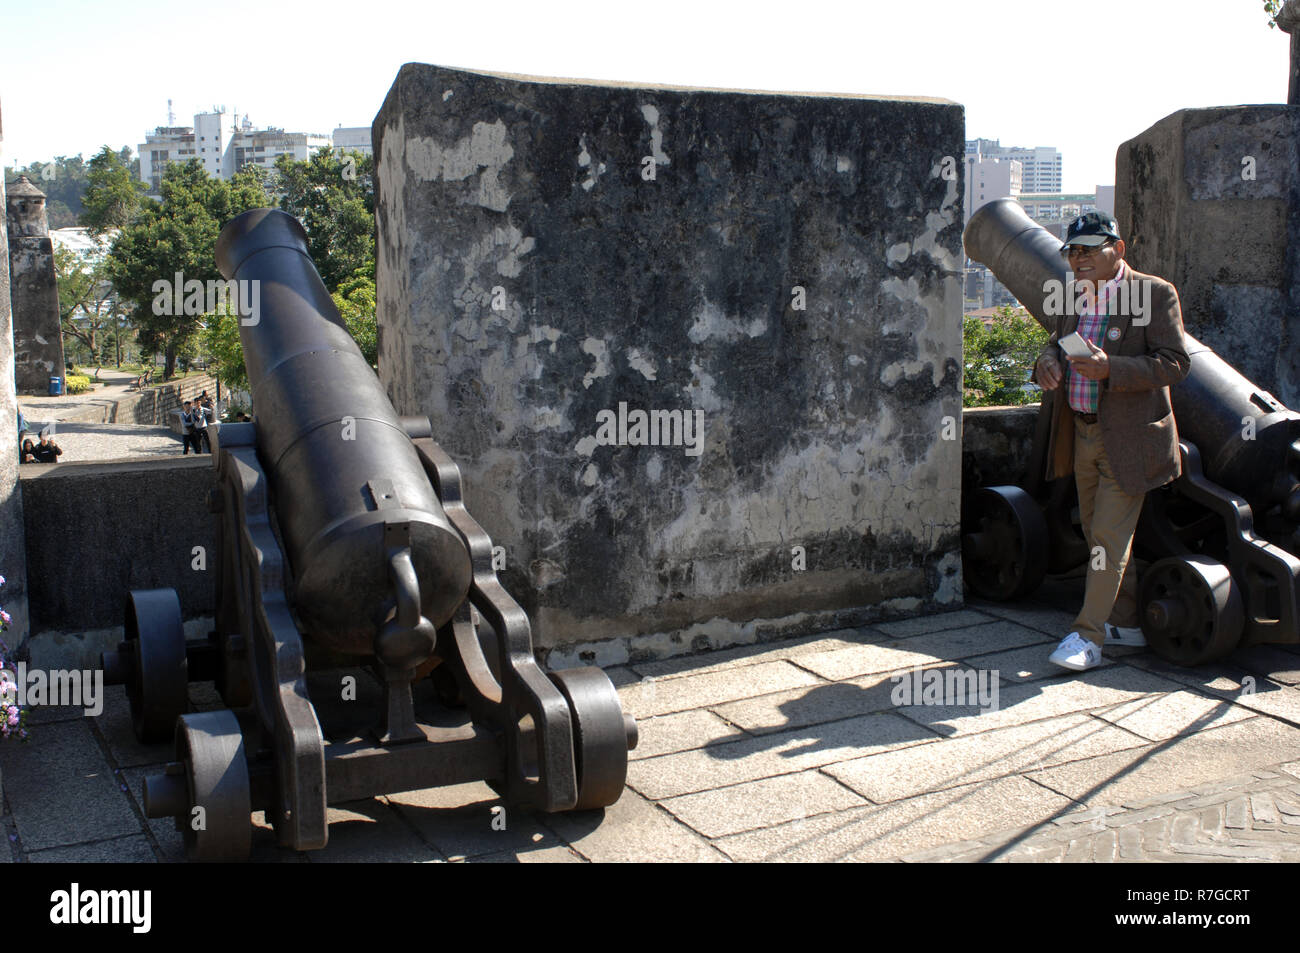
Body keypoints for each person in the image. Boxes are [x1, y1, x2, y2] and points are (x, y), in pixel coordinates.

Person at [1032, 211, 1191, 672]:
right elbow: (1054, 342)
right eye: (1072, 251)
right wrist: (1045, 364)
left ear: (1116, 249)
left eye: (1087, 249)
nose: (1077, 258)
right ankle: (1126, 621)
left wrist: (1112, 370)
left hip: (1129, 437)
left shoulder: (1153, 294)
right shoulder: (1072, 295)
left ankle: (1089, 635)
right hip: (1081, 430)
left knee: (1107, 536)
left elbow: (1175, 363)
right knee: (1095, 531)